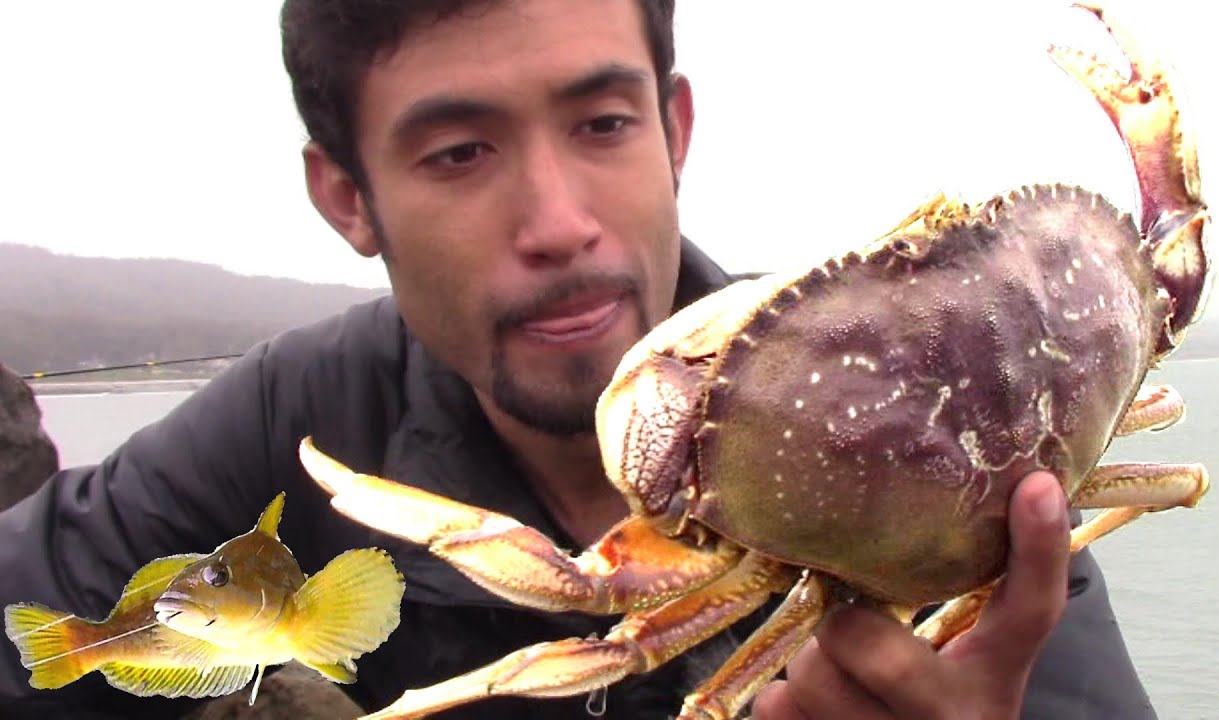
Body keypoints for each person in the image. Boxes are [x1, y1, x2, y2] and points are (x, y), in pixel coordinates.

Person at [0, 1, 1158, 718]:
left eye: (602, 124)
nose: (556, 220)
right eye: (459, 151)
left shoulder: (941, 448)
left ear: (675, 132)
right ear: (346, 196)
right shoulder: (300, 420)